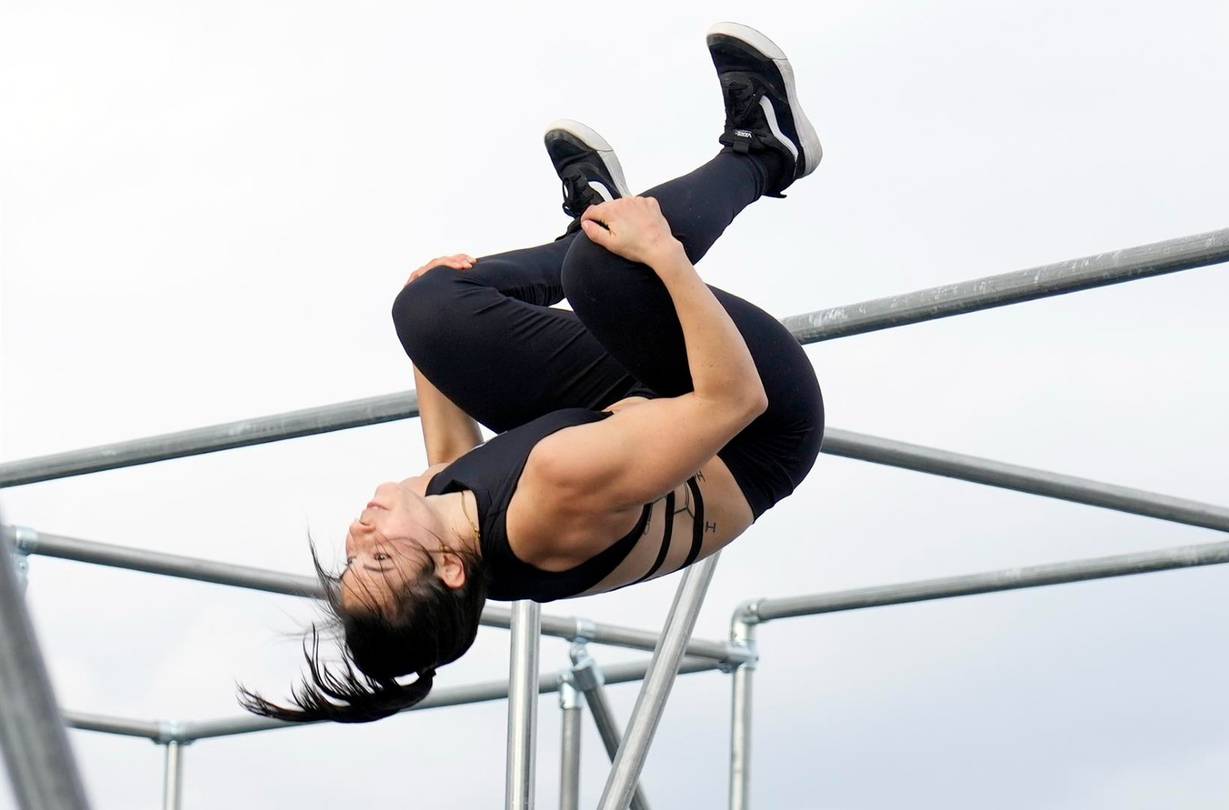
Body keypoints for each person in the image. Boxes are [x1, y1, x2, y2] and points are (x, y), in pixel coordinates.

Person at [240, 22, 825, 723]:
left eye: (350, 562)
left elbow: (460, 460)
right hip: (750, 424)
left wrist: (440, 323)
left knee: (425, 310)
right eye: (380, 562)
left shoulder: (445, 519)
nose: (359, 539)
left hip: (636, 410)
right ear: (451, 571)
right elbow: (733, 399)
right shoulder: (555, 498)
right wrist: (663, 255)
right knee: (609, 272)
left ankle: (592, 226)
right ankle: (767, 153)